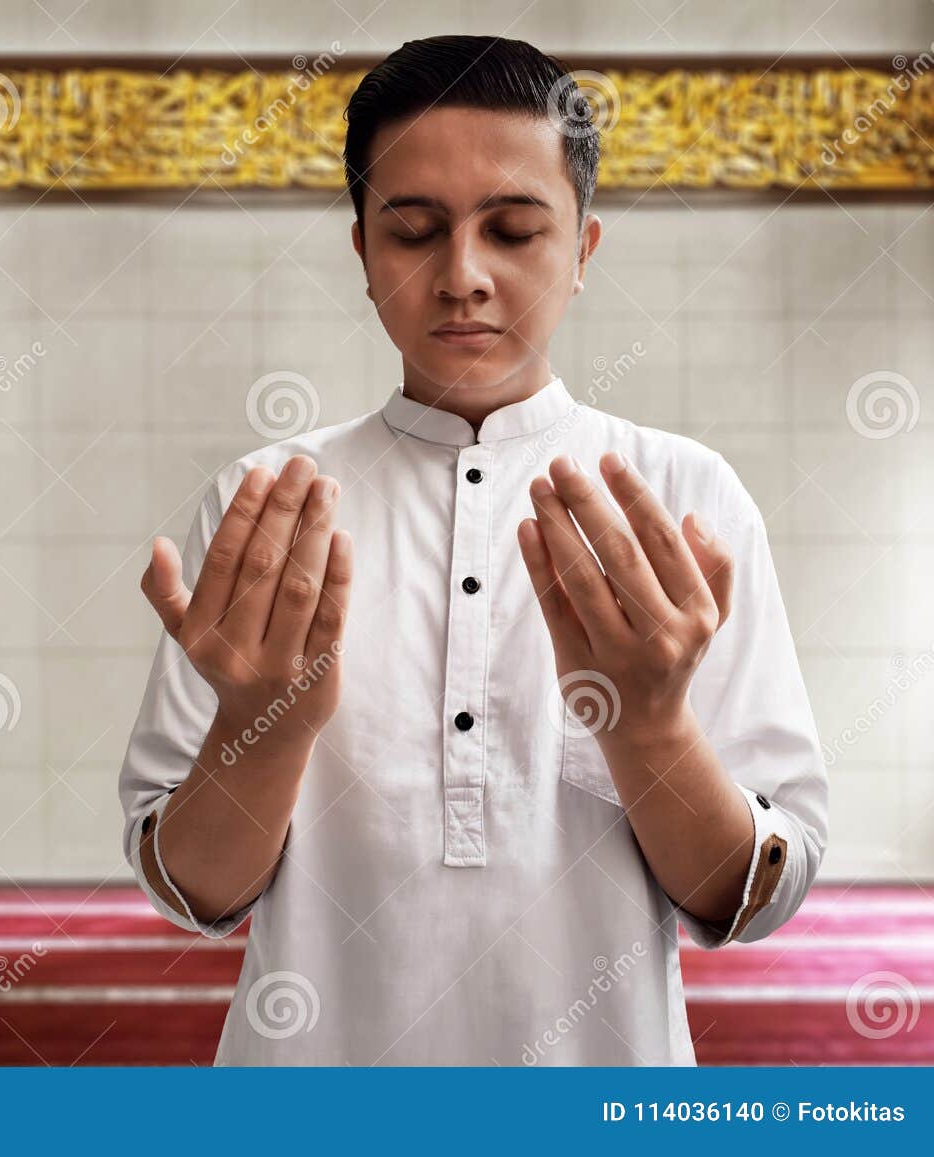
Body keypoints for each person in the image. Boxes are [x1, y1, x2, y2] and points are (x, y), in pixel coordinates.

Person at [117, 34, 829, 1065]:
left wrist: (652, 728)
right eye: (413, 231)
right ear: (361, 250)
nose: (463, 277)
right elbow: (193, 891)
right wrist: (266, 727)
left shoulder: (685, 500)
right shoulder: (268, 503)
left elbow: (756, 890)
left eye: (512, 230)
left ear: (582, 250)